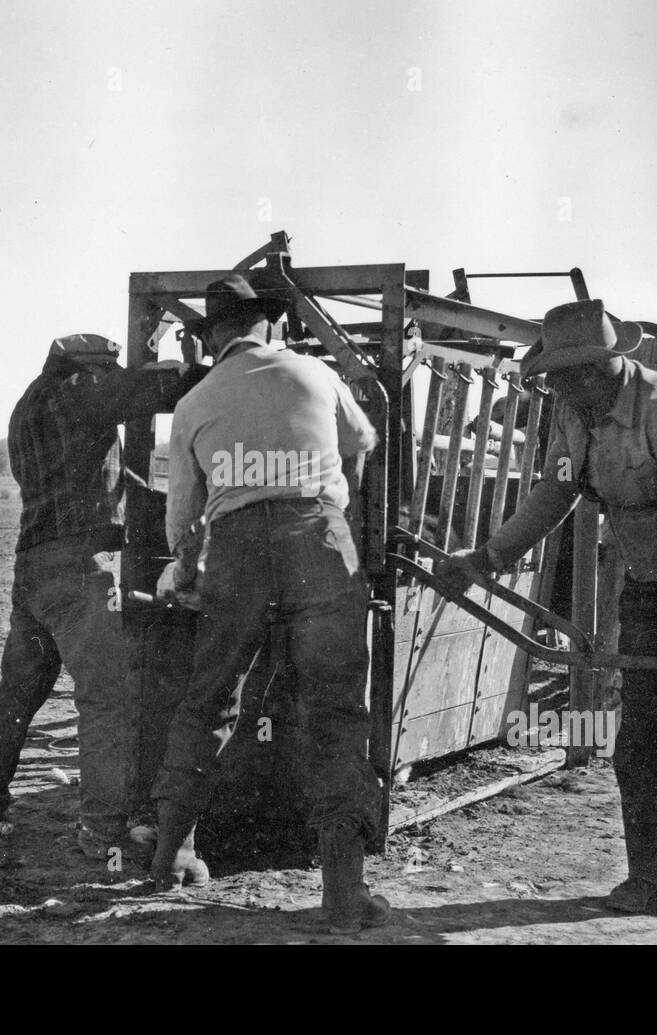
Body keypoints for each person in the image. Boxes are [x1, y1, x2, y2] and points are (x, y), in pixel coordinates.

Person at [439, 299, 657, 915]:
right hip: (647, 580)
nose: (554, 386)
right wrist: (488, 557)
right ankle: (646, 874)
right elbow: (556, 491)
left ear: (597, 368)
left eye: (562, 374)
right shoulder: (574, 411)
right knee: (637, 734)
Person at [149, 273, 392, 935]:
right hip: (318, 539)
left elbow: (182, 516)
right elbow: (362, 446)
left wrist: (188, 567)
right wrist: (350, 531)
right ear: (269, 324)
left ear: (214, 336)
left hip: (235, 551)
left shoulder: (197, 401)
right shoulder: (316, 374)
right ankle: (343, 894)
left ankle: (170, 858)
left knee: (209, 698)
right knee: (336, 706)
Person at [0, 332, 205, 859]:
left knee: (16, 694)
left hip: (33, 565)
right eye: (108, 369)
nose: (111, 377)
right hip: (77, 570)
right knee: (108, 698)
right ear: (87, 369)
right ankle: (101, 832)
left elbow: (90, 478)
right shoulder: (77, 391)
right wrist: (195, 370)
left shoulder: (29, 404)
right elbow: (150, 392)